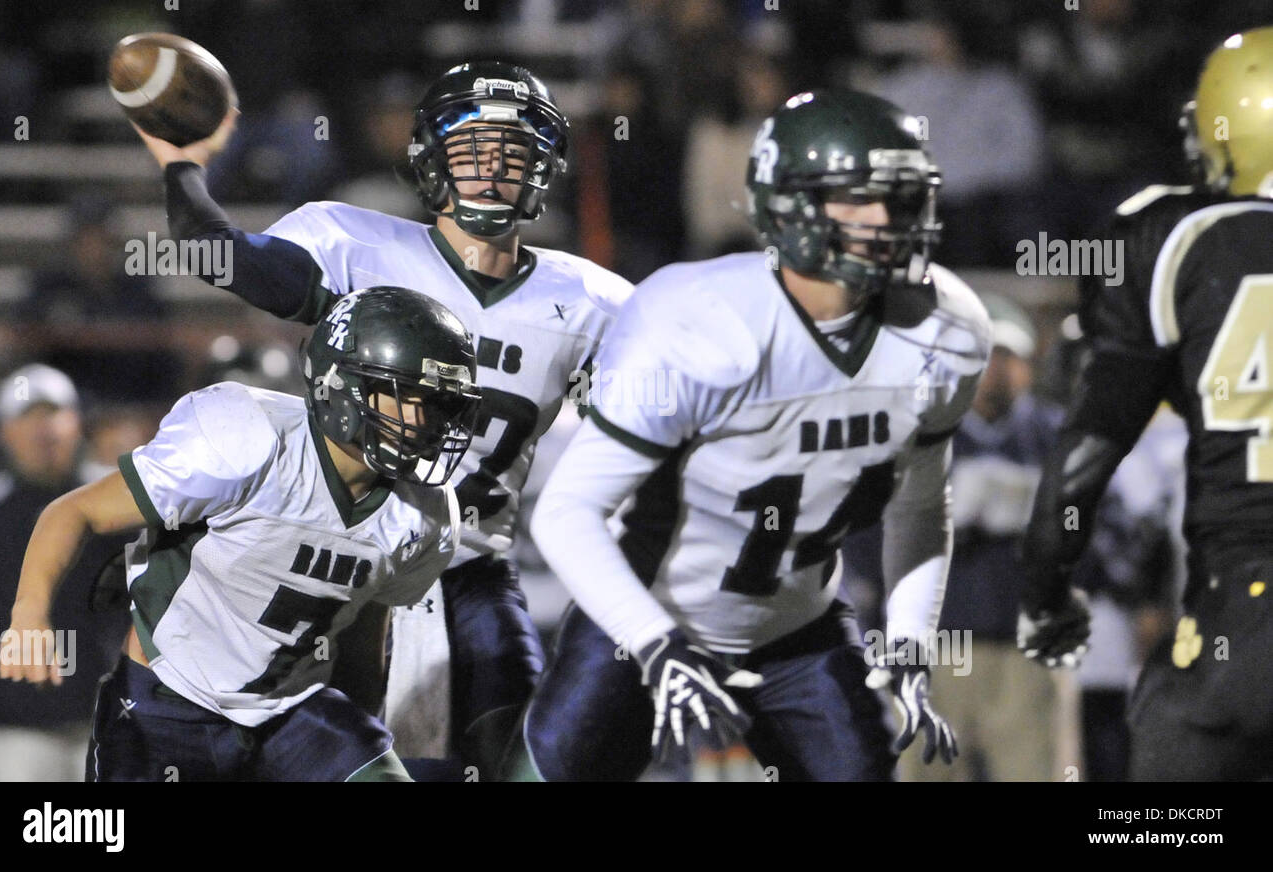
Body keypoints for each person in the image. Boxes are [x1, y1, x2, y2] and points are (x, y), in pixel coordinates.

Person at [130, 60, 632, 779]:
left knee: (525, 763)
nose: (490, 172)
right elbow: (225, 258)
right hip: (334, 562)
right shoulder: (354, 244)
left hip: (471, 569)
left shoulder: (592, 301)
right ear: (433, 160)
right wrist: (183, 166)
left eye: (512, 155)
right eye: (470, 151)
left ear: (542, 170)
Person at [518, 89, 992, 781]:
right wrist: (656, 647)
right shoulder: (698, 318)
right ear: (789, 204)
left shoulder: (944, 328)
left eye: (897, 197)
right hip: (649, 618)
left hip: (797, 627)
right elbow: (567, 514)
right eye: (855, 199)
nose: (883, 219)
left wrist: (912, 643)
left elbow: (921, 506)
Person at [0, 287, 482, 782]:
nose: (421, 420)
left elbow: (363, 624)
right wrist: (29, 614)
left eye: (439, 403)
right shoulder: (248, 438)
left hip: (292, 711)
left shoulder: (427, 512)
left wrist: (358, 719)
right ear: (342, 384)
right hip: (170, 701)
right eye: (404, 397)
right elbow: (73, 511)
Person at [1019, 27, 1273, 780]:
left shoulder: (1183, 238)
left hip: (1248, 609)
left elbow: (1087, 456)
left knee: (1156, 817)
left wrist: (1046, 588)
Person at [899, 296, 1064, 781]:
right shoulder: (917, 436)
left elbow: (1094, 532)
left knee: (1026, 771)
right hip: (936, 644)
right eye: (981, 355)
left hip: (1020, 643)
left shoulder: (1051, 437)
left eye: (1006, 355)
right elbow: (869, 532)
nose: (993, 369)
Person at [0, 364, 128, 781]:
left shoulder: (118, 507)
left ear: (77, 423)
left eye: (54, 415)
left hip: (106, 728)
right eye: (29, 417)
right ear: (5, 431)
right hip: (13, 732)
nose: (44, 431)